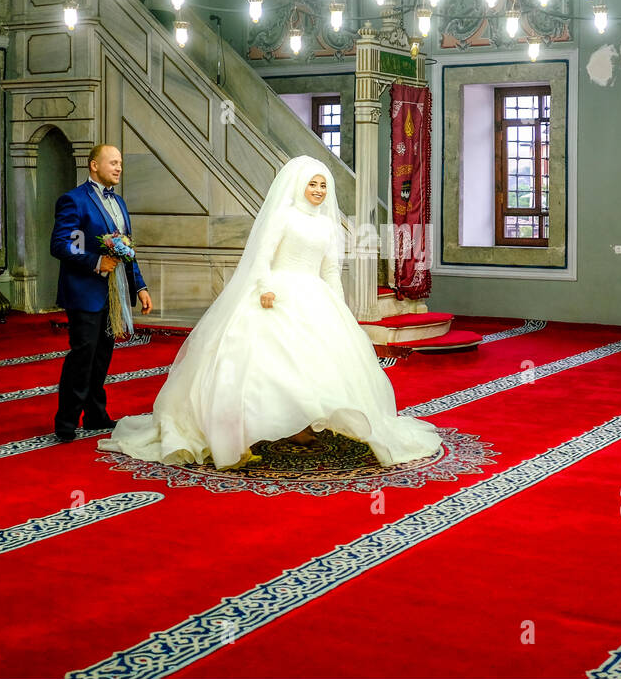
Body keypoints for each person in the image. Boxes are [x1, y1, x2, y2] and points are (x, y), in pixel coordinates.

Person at [100, 155, 442, 470]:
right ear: (298, 185)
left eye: (323, 185)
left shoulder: (327, 226)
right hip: (276, 293)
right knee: (269, 365)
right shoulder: (284, 216)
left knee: (315, 364)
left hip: (316, 297)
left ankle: (305, 421)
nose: (319, 190)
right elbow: (262, 257)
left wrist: (339, 306)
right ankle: (261, 426)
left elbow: (330, 271)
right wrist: (264, 288)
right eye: (312, 183)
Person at [51, 144, 153, 442]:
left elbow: (125, 250)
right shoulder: (73, 200)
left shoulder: (119, 202)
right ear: (94, 165)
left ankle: (96, 415)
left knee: (102, 356)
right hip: (84, 291)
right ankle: (66, 421)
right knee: (83, 354)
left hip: (115, 292)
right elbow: (61, 245)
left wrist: (141, 286)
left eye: (120, 162)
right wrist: (95, 262)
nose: (119, 168)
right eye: (113, 162)